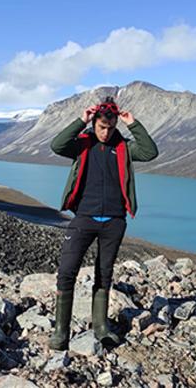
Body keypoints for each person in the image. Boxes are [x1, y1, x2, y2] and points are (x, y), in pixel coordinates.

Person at [48, 96, 158, 350]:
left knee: (104, 274)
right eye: (101, 127)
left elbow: (150, 152)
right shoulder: (82, 144)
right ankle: (60, 331)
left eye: (110, 128)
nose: (106, 133)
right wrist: (81, 120)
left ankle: (100, 327)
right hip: (83, 218)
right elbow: (57, 145)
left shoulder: (124, 147)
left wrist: (133, 124)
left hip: (114, 222)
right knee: (66, 272)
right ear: (94, 123)